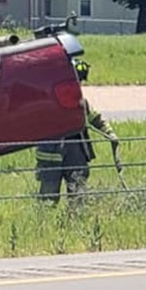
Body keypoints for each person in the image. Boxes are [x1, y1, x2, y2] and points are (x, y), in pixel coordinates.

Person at [35, 59, 121, 205]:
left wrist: (110, 134)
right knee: (48, 198)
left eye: (79, 82)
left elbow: (95, 118)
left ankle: (76, 217)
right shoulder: (47, 101)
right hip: (51, 156)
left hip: (76, 152)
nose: (78, 85)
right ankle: (45, 219)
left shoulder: (81, 102)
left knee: (78, 194)